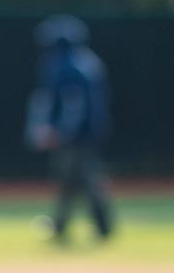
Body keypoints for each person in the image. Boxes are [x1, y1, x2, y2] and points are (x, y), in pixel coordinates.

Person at [26, 14, 115, 244]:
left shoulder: (66, 66)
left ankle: (84, 227)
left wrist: (60, 131)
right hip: (90, 133)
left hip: (74, 136)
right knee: (76, 181)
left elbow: (73, 105)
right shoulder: (89, 62)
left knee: (78, 180)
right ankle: (71, 227)